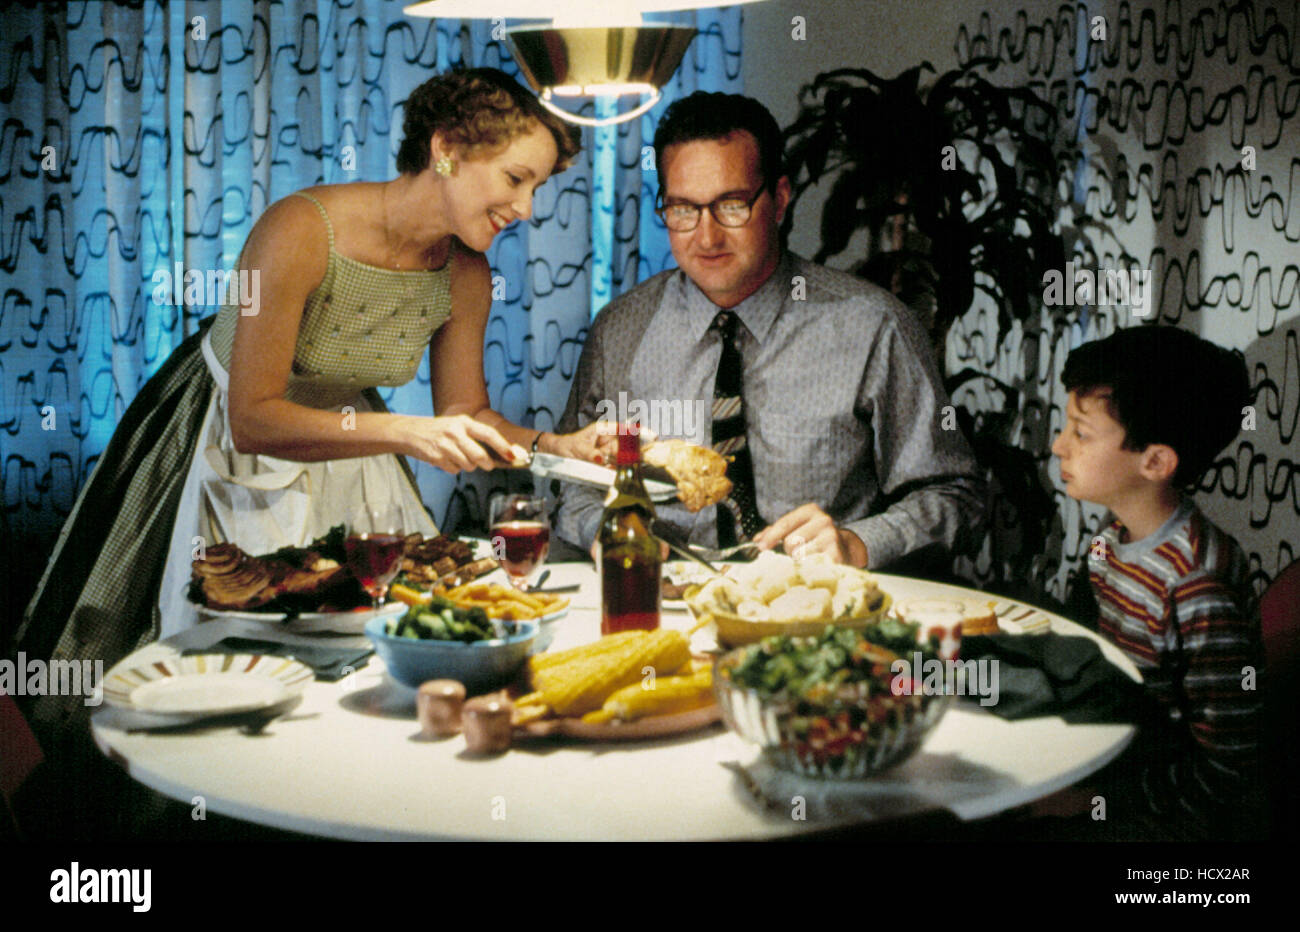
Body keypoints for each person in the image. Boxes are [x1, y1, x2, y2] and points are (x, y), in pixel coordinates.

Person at [10, 68, 609, 741]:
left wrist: (554, 447)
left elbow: (467, 411)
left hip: (360, 445)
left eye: (538, 187)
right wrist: (403, 433)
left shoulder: (467, 272)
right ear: (447, 148)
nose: (526, 208)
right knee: (225, 679)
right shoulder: (301, 228)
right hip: (218, 439)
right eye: (516, 178)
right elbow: (253, 416)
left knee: (358, 674)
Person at [554, 92, 985, 569]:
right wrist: (607, 534)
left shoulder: (873, 326)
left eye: (732, 205)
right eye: (682, 210)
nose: (707, 236)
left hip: (815, 617)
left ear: (779, 200)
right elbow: (573, 484)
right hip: (661, 610)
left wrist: (857, 544)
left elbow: (955, 495)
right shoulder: (619, 330)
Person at [1050, 325, 1264, 839]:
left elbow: (1225, 769)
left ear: (1155, 462)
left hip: (1160, 819)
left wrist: (1093, 802)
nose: (1058, 445)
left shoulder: (1196, 585)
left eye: (1081, 433)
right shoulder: (1114, 534)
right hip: (1111, 756)